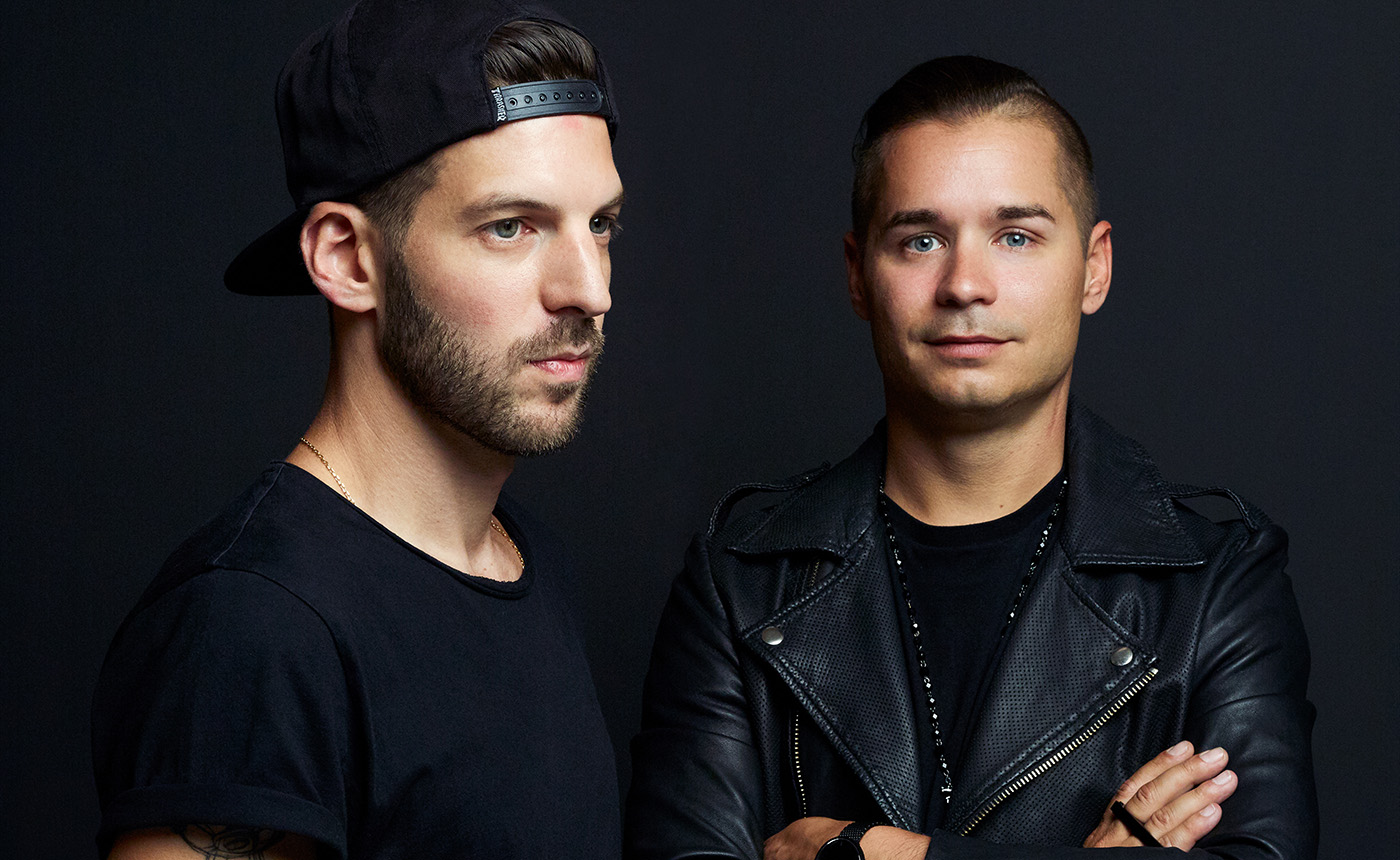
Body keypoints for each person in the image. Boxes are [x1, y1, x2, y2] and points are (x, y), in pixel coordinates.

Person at [625, 56, 1316, 860]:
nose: (965, 285)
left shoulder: (1217, 583)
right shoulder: (738, 584)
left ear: (1093, 267)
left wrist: (889, 854)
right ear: (858, 275)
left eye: (1015, 236)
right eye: (920, 240)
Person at [90, 2, 625, 857]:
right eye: (510, 227)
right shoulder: (252, 626)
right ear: (346, 258)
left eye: (599, 224)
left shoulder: (527, 559)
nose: (589, 290)